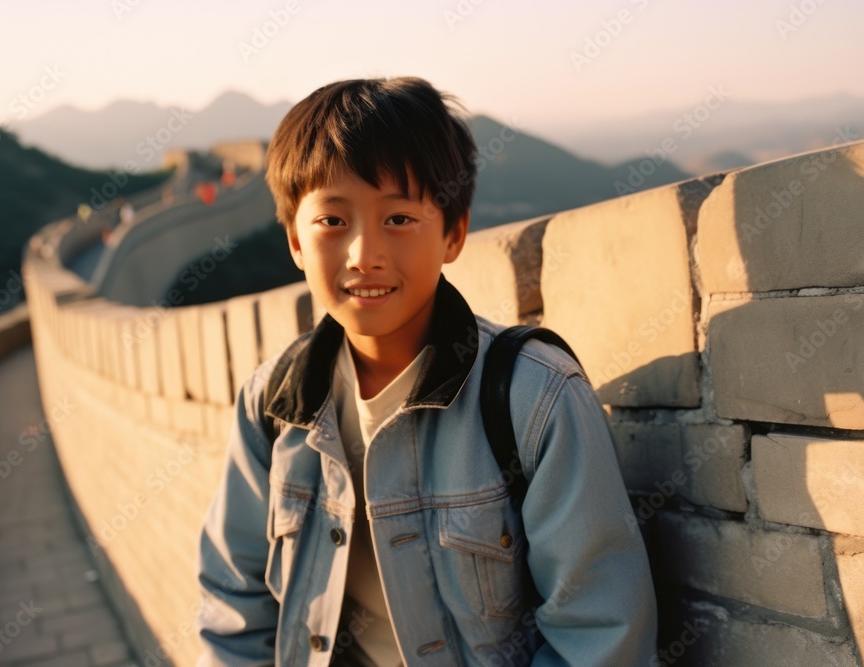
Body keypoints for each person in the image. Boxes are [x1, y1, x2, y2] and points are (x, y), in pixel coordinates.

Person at [195, 76, 657, 666]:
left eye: (399, 219)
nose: (365, 254)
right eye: (332, 222)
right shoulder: (274, 403)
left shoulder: (532, 398)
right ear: (294, 242)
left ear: (454, 233)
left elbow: (602, 636)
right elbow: (234, 606)